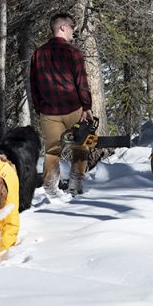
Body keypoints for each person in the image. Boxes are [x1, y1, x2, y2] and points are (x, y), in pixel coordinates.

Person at [29, 11, 93, 197]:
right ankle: (76, 183)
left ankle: (50, 188)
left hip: (48, 111)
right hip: (73, 108)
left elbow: (33, 85)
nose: (74, 31)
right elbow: (81, 82)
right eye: (72, 27)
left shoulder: (38, 53)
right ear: (62, 27)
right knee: (81, 146)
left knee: (52, 151)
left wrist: (39, 108)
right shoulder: (73, 52)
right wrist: (86, 106)